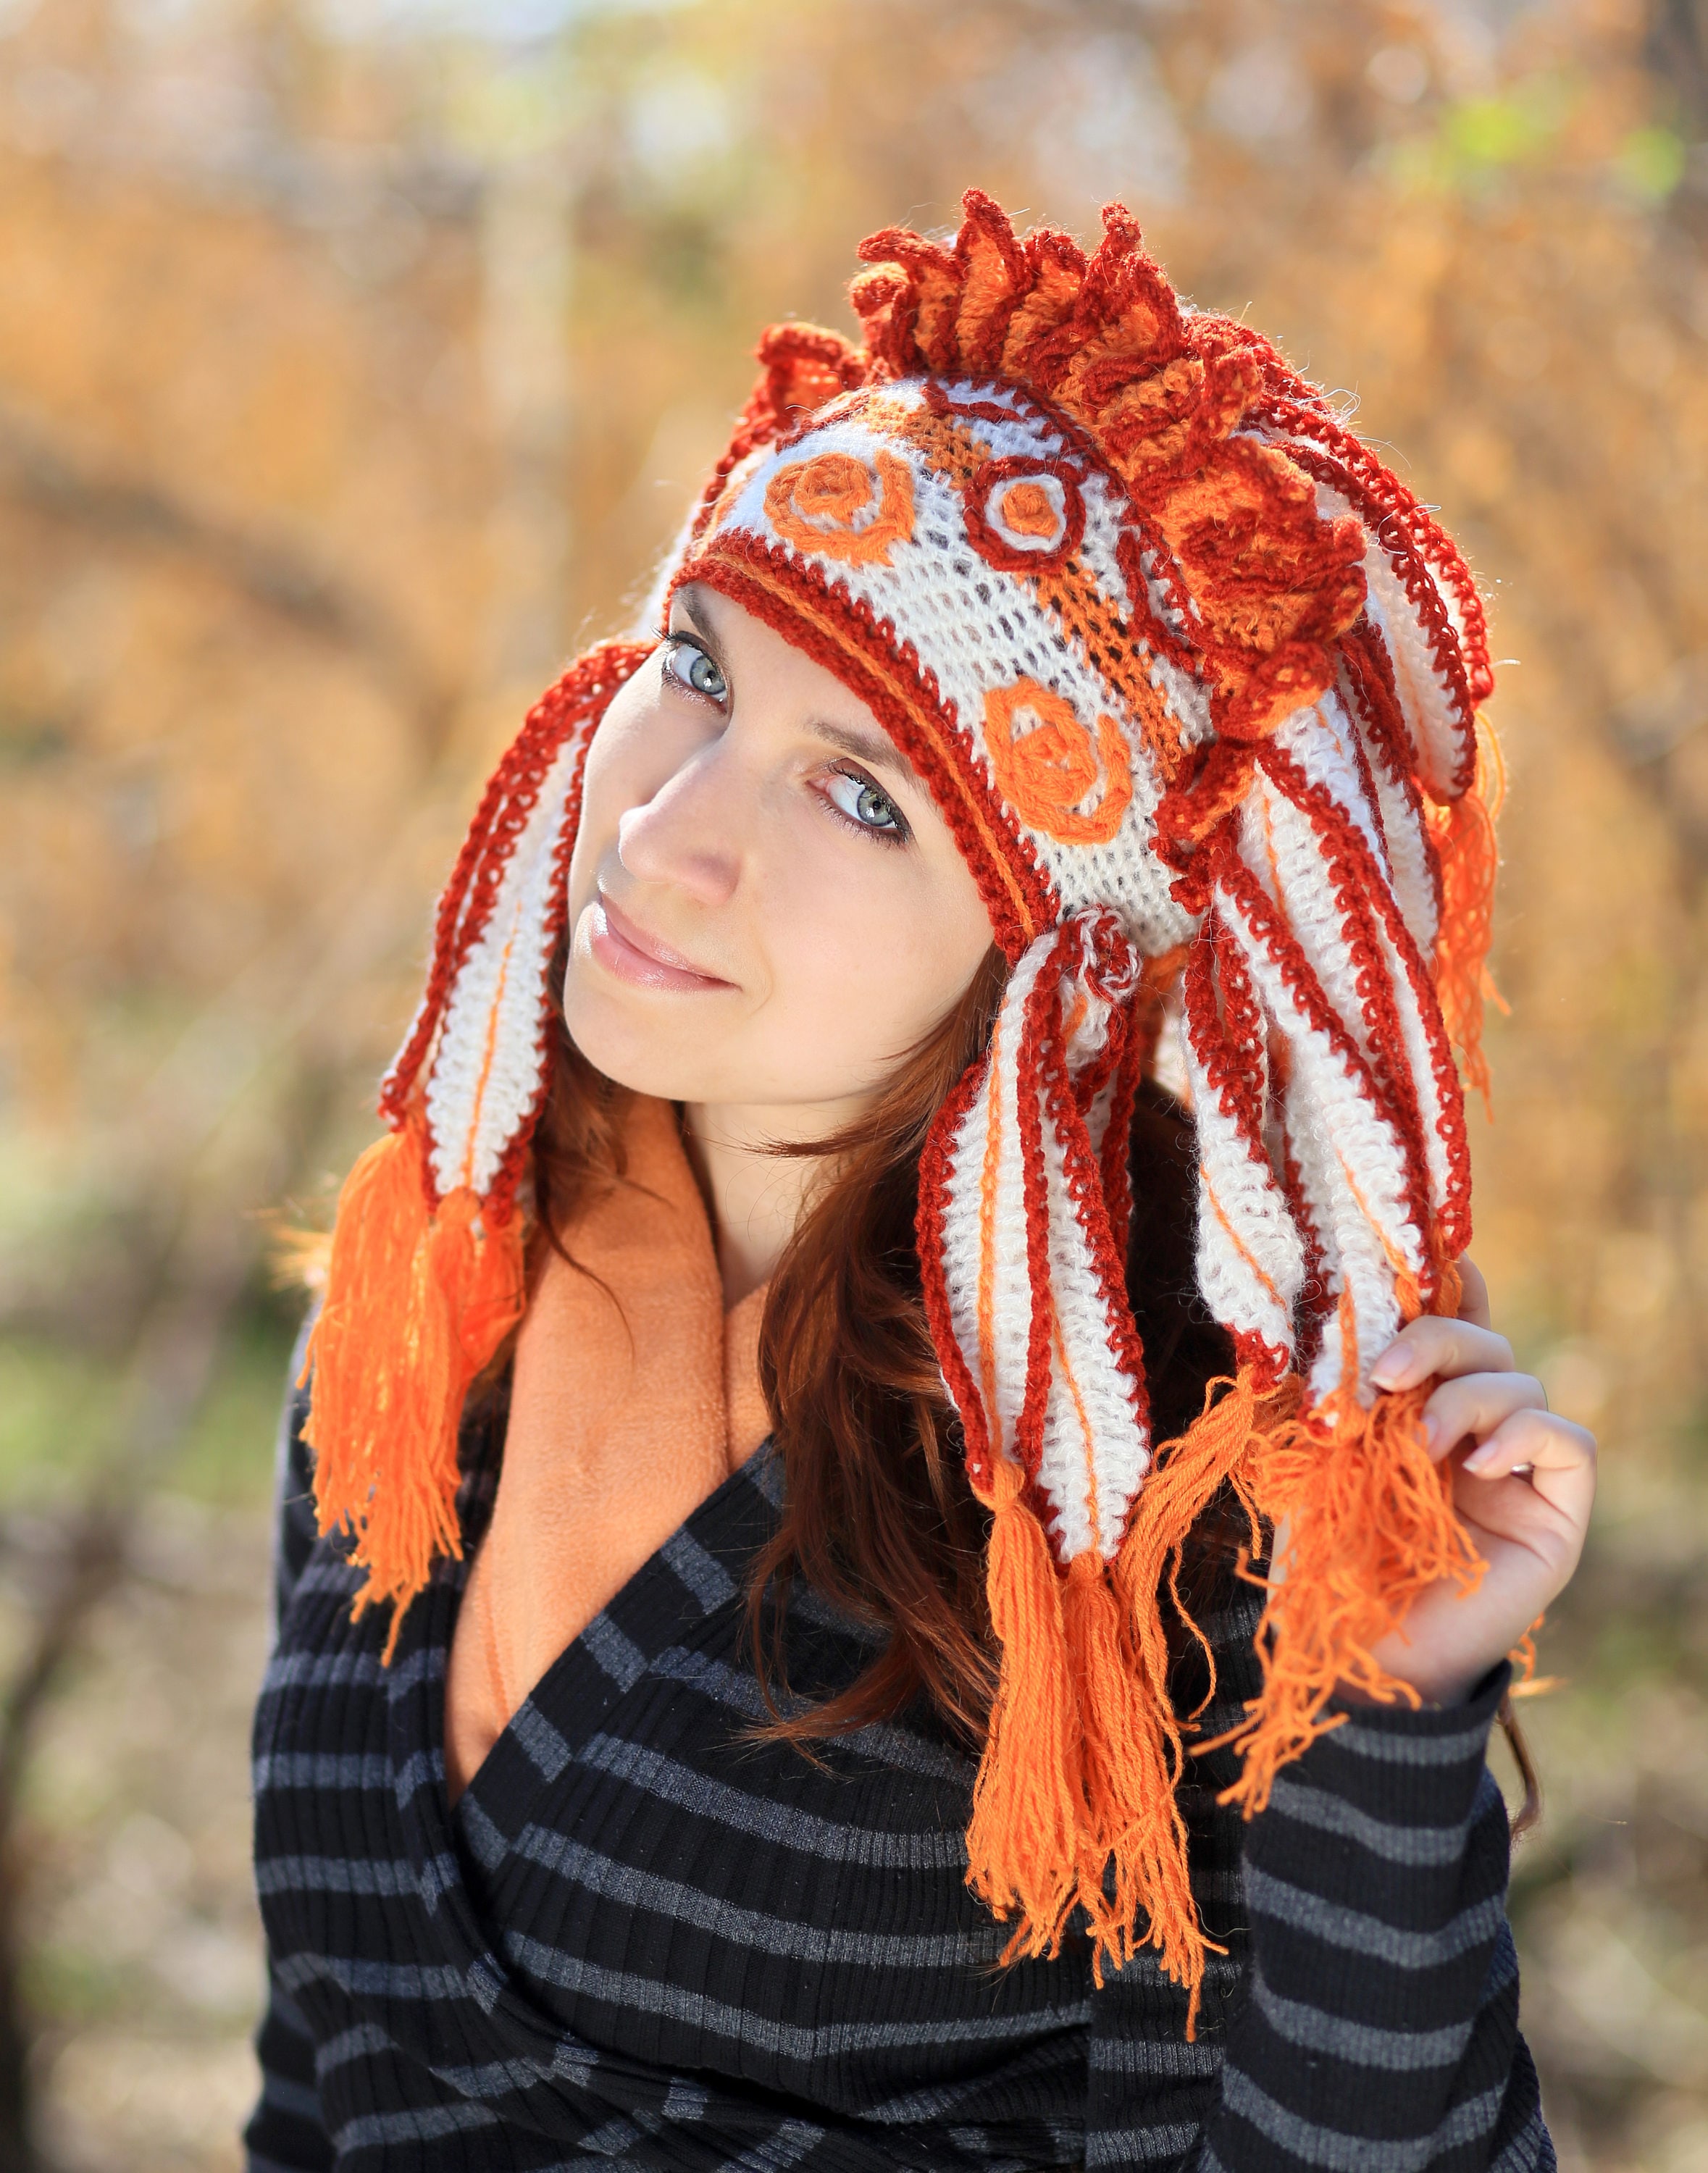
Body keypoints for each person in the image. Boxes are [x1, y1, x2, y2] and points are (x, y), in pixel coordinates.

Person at [244, 192, 1592, 2172]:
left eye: (862, 791)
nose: (676, 833)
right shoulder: (428, 1315)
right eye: (696, 666)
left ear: (1056, 948)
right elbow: (326, 2083)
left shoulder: (1151, 1509)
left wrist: (1383, 1713)